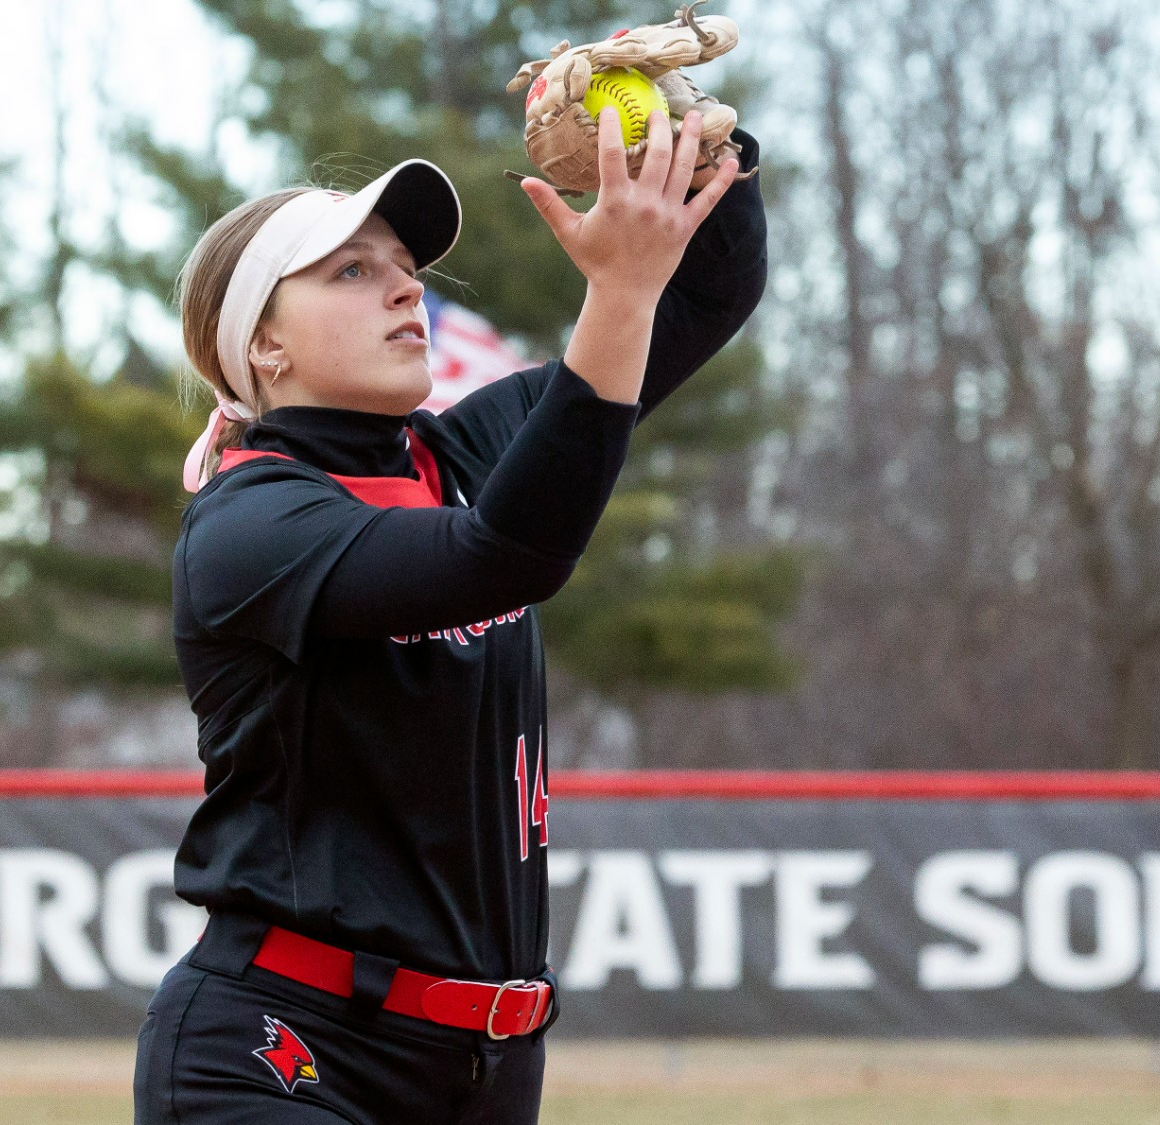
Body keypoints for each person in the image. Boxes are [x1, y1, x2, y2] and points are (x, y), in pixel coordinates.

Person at [136, 105, 765, 1125]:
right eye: (349, 270)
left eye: (402, 264)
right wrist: (613, 291)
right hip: (284, 1056)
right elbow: (506, 555)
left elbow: (700, 299)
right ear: (260, 344)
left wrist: (706, 151)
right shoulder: (249, 525)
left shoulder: (450, 459)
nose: (402, 284)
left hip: (485, 1066)